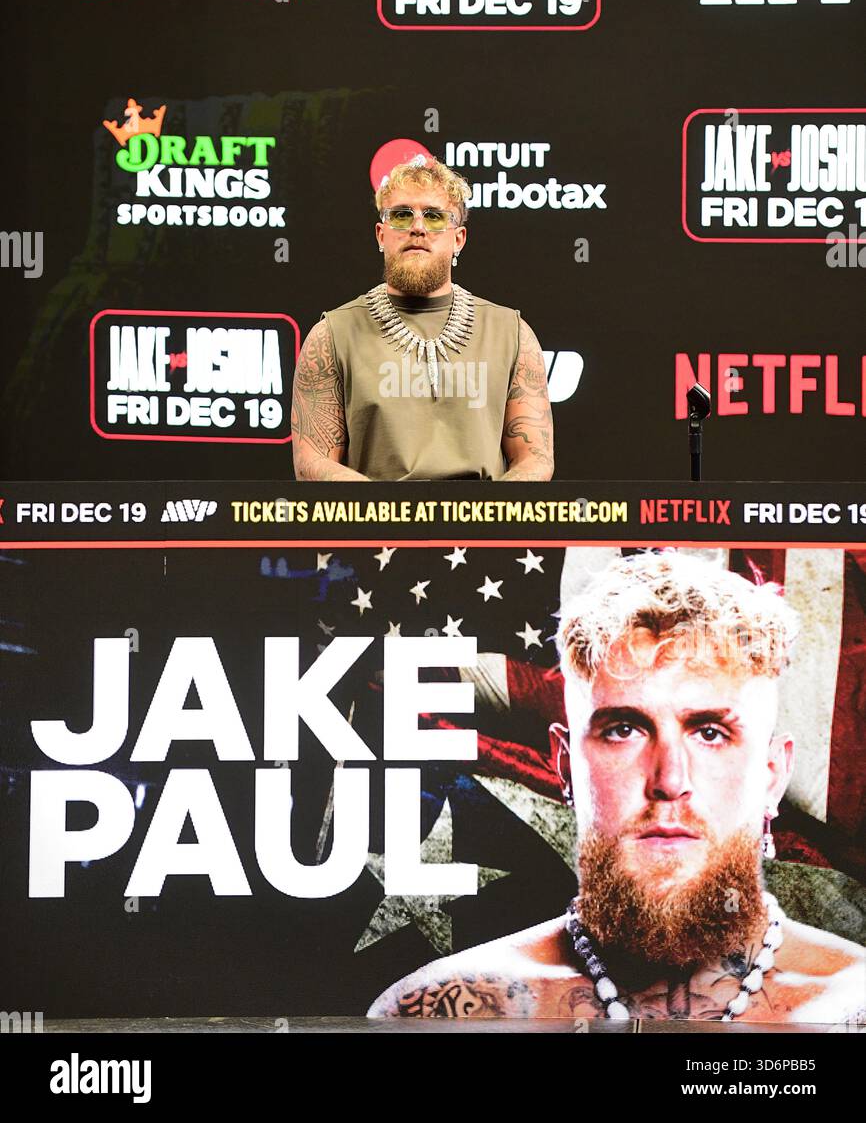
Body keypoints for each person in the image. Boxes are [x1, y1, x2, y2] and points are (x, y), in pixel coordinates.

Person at [368, 551, 866, 1022]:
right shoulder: (445, 1012)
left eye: (710, 733)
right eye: (624, 730)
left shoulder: (852, 1006)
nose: (670, 781)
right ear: (565, 767)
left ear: (772, 777)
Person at [291, 156, 554, 481]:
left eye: (434, 216)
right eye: (401, 215)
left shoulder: (511, 333)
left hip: (480, 527)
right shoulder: (332, 335)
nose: (417, 227)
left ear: (458, 239)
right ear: (380, 234)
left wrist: (486, 518)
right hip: (377, 525)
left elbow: (535, 460)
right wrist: (390, 512)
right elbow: (311, 461)